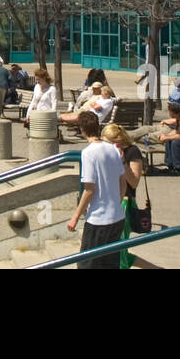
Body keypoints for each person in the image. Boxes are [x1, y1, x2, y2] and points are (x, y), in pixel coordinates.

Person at [67, 110, 125, 269]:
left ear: (82, 129)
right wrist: (117, 202)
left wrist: (75, 216)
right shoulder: (113, 149)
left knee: (88, 263)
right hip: (117, 217)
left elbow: (89, 189)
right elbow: (123, 180)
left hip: (98, 219)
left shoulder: (88, 153)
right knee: (110, 264)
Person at [103, 123, 145, 269]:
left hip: (125, 203)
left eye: (108, 143)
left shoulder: (132, 152)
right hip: (108, 202)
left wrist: (122, 161)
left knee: (118, 248)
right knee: (116, 249)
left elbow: (133, 182)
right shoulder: (107, 152)